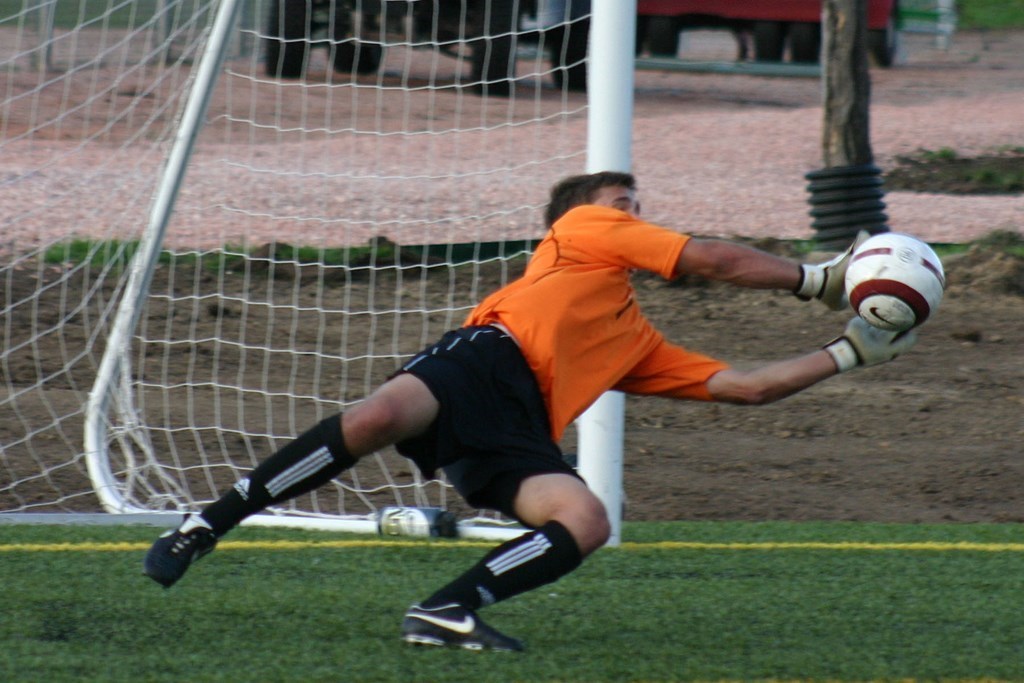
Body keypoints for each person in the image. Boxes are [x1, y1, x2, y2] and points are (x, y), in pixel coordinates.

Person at [143, 171, 917, 652]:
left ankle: (445, 610)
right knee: (378, 414)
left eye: (637, 206)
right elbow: (711, 259)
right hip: (483, 359)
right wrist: (821, 279)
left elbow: (747, 387)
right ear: (580, 215)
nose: (637, 214)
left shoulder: (636, 341)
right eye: (625, 204)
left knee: (586, 520)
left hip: (518, 430)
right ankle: (206, 521)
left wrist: (851, 351)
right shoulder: (579, 231)